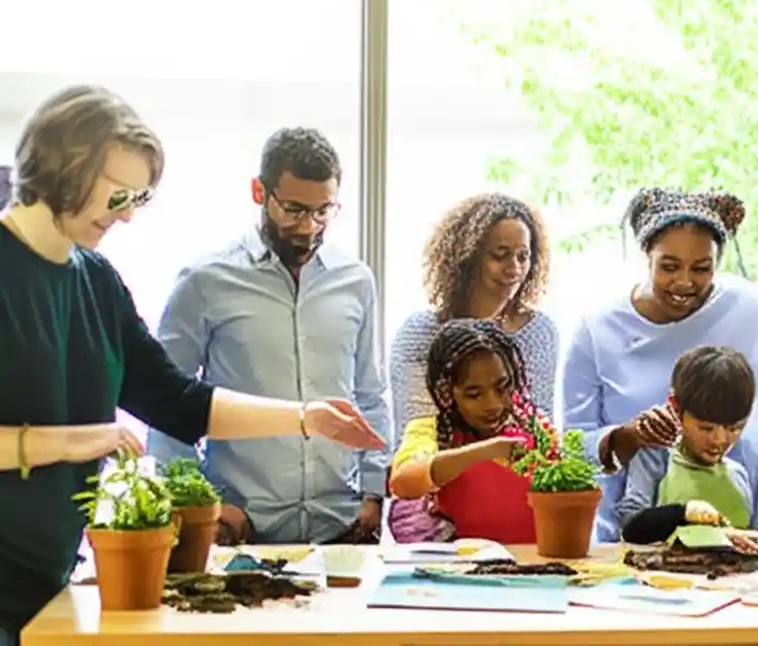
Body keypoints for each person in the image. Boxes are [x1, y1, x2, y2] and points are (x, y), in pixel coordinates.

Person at [0, 85, 384, 645]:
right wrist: (67, 443)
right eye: (118, 195)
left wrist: (305, 417)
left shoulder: (96, 282)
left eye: (140, 198)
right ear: (67, 167)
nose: (128, 215)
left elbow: (177, 400)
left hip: (51, 585)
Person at [147, 127, 390, 546]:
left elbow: (370, 392)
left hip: (343, 525)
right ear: (260, 192)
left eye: (323, 211)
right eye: (294, 209)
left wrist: (374, 493)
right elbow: (166, 405)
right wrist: (203, 505)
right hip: (241, 529)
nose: (308, 227)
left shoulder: (356, 281)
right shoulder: (204, 282)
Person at [561, 186, 758, 542]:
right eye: (669, 267)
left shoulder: (752, 311)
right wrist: (629, 437)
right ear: (647, 256)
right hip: (631, 534)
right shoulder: (597, 329)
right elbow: (572, 443)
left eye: (701, 268)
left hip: (742, 528)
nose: (684, 282)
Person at [385, 193, 556, 543]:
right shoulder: (420, 334)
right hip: (441, 509)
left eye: (524, 256)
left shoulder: (539, 332)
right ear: (468, 255)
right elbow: (414, 457)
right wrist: (488, 451)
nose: (514, 268)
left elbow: (537, 428)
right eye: (500, 255)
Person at [388, 319, 551, 543]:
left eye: (502, 387)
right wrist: (486, 451)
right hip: (460, 571)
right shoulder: (430, 431)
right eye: (474, 394)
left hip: (535, 568)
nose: (493, 404)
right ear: (446, 393)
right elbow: (403, 483)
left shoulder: (535, 428)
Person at [618, 346, 758, 548]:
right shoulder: (656, 459)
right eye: (706, 428)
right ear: (676, 408)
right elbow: (630, 528)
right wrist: (684, 513)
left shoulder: (739, 474)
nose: (719, 439)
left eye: (734, 428)